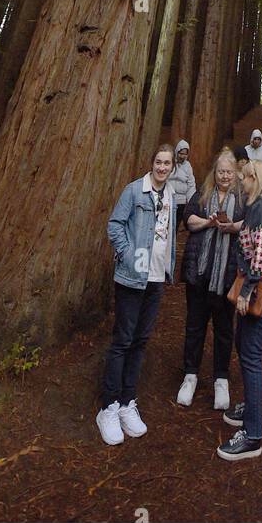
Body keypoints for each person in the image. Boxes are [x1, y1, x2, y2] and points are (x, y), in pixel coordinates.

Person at [96, 144, 176, 445]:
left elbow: (168, 235)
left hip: (155, 279)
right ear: (151, 163)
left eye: (167, 164)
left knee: (141, 341)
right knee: (123, 340)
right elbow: (115, 226)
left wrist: (168, 267)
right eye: (158, 162)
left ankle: (128, 401)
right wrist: (130, 257)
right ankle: (109, 406)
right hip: (132, 278)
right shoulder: (134, 191)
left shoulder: (170, 196)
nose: (162, 168)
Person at [217, 159, 262, 461]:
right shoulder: (255, 206)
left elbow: (261, 253)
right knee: (243, 344)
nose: (240, 182)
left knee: (251, 353)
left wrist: (246, 291)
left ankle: (253, 435)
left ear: (254, 179)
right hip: (257, 281)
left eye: (244, 178)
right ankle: (251, 405)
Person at [177, 149, 244, 412]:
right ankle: (190, 374)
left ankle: (221, 378)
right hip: (199, 273)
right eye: (220, 172)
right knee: (195, 325)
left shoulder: (241, 199)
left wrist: (231, 227)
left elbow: (248, 224)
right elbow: (188, 219)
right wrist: (208, 222)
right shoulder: (203, 195)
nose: (224, 176)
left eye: (228, 172)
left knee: (224, 329)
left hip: (227, 274)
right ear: (214, 173)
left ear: (234, 175)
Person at [169, 139, 197, 232]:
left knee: (175, 225)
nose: (182, 156)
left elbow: (191, 183)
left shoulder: (188, 166)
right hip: (169, 199)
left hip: (181, 201)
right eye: (181, 153)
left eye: (185, 154)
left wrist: (191, 200)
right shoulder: (171, 163)